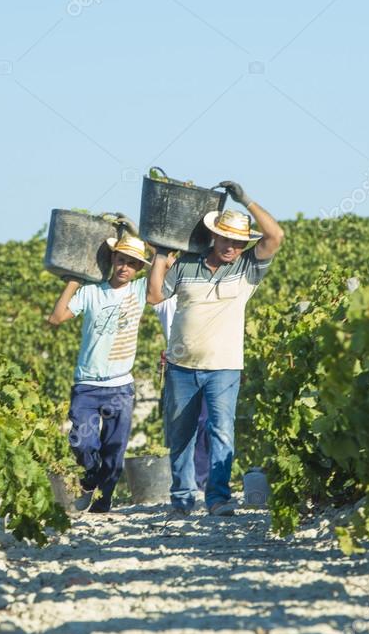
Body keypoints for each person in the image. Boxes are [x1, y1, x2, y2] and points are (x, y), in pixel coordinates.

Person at [147, 180, 285, 516]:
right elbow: (153, 296)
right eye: (227, 239)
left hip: (224, 367)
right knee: (180, 436)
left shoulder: (247, 268)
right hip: (181, 366)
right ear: (214, 236)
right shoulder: (185, 265)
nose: (233, 247)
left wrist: (245, 199)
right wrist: (161, 256)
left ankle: (218, 499)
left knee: (221, 431)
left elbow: (276, 237)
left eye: (239, 242)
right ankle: (181, 500)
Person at [47, 232, 152, 513]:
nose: (124, 267)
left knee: (114, 448)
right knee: (82, 441)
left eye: (132, 263)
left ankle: (103, 499)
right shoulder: (91, 292)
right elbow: (56, 318)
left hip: (120, 386)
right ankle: (90, 477)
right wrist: (74, 279)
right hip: (87, 384)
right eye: (120, 260)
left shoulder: (140, 291)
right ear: (112, 260)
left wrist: (150, 245)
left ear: (139, 268)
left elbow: (160, 282)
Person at [154, 296, 210, 500]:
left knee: (206, 424)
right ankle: (186, 484)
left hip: (211, 364)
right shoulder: (166, 301)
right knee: (182, 427)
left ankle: (202, 481)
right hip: (179, 370)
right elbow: (159, 270)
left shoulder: (206, 292)